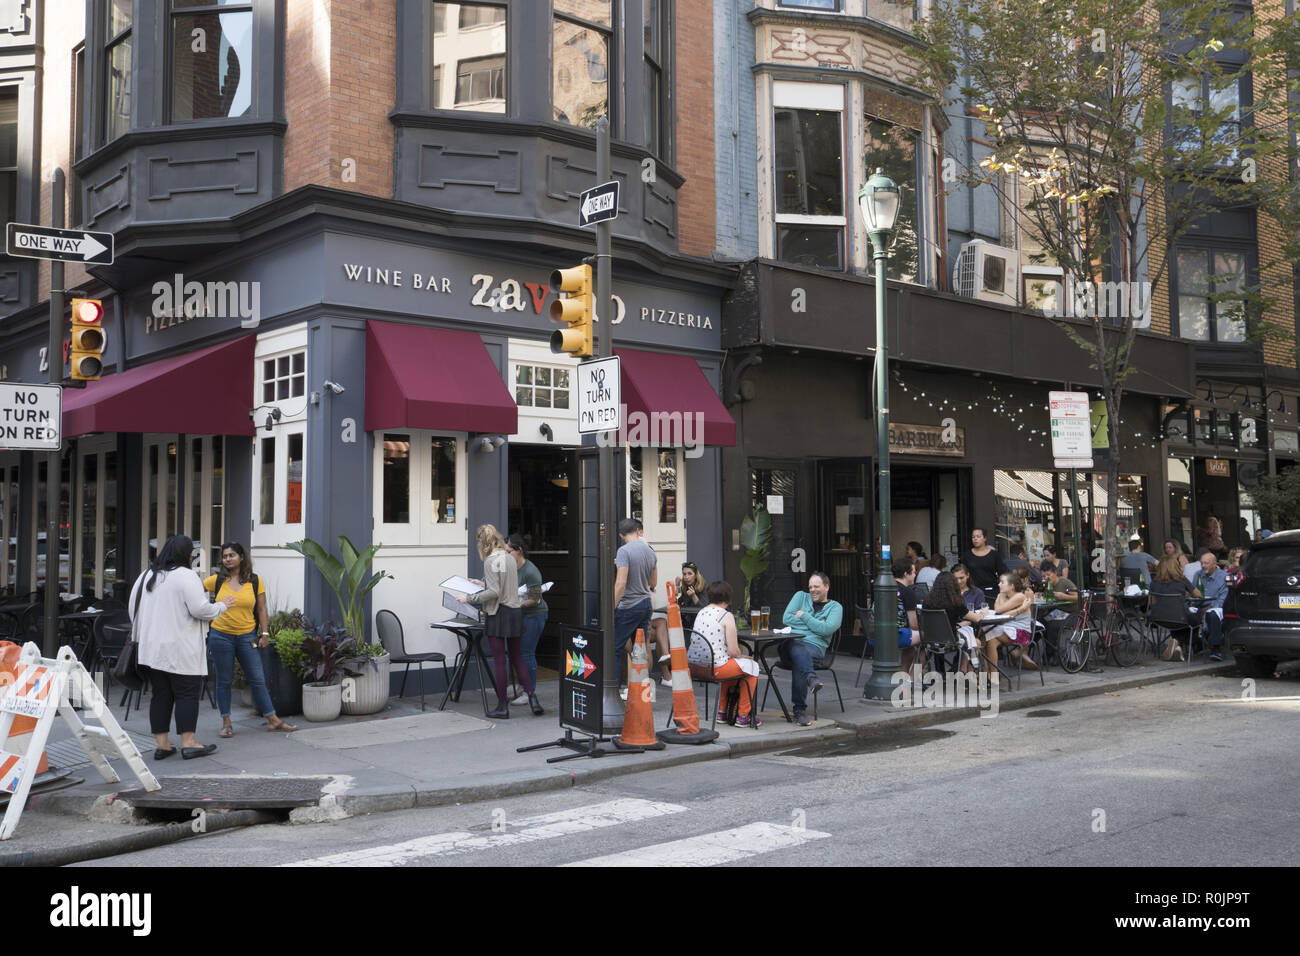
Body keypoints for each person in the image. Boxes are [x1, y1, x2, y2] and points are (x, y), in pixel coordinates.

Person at [129, 534, 238, 760]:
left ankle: (163, 745)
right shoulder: (186, 576)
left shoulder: (147, 575)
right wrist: (221, 606)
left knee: (160, 695)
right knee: (186, 694)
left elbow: (133, 610)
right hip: (181, 648)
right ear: (186, 555)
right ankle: (189, 742)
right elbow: (200, 609)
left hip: (150, 650)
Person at [203, 542, 297, 737]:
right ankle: (226, 723)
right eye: (224, 556)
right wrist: (208, 611)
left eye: (232, 555)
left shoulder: (254, 581)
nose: (227, 559)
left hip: (246, 636)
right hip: (221, 636)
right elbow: (193, 592)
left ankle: (273, 720)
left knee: (257, 679)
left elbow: (262, 609)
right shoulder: (217, 580)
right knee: (224, 680)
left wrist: (265, 633)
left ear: (241, 557)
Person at [466, 524, 534, 719]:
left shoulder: (490, 561)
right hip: (514, 612)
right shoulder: (508, 558)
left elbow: (495, 592)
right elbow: (501, 584)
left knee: (499, 661)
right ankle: (533, 698)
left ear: (482, 542)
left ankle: (502, 706)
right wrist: (482, 583)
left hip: (498, 614)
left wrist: (469, 598)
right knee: (517, 657)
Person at [686, 580, 761, 727]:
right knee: (752, 668)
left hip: (693, 667)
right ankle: (743, 716)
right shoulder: (726, 616)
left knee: (729, 663)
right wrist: (742, 656)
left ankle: (722, 712)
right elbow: (734, 651)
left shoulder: (701, 612)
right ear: (728, 597)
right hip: (715, 669)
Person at [778, 572, 843, 727]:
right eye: (810, 587)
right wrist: (816, 624)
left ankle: (800, 709)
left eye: (816, 586)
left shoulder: (835, 607)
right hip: (789, 645)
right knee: (797, 645)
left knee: (800, 659)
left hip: (815, 650)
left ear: (826, 587)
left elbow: (827, 630)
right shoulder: (800, 596)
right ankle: (810, 680)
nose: (812, 590)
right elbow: (786, 618)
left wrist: (804, 617)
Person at [613, 517, 658, 693]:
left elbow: (621, 583)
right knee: (641, 648)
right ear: (637, 530)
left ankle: (613, 692)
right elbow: (653, 581)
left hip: (629, 605)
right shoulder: (650, 551)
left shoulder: (624, 551)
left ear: (621, 535)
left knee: (616, 648)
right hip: (645, 603)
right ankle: (643, 690)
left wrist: (611, 607)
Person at [506, 534, 547, 714]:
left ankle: (529, 690)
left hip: (533, 615)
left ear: (518, 550)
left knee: (526, 653)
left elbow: (534, 599)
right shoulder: (510, 567)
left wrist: (514, 605)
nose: (506, 555)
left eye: (509, 551)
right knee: (516, 652)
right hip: (518, 614)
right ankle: (521, 687)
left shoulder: (531, 571)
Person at [922, 570, 987, 671]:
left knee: (967, 637)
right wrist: (983, 612)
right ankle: (962, 670)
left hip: (931, 638)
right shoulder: (955, 602)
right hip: (951, 639)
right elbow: (976, 618)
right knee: (973, 640)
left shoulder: (927, 601)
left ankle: (949, 671)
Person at [982, 570, 1036, 683]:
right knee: (990, 640)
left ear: (1011, 586)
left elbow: (998, 610)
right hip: (1007, 630)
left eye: (1002, 582)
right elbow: (999, 612)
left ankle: (987, 674)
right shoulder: (1004, 596)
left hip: (1022, 633)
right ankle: (991, 675)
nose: (998, 584)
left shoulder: (1019, 597)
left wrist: (1001, 597)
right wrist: (1001, 596)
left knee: (985, 634)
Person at [1149, 554, 1201, 660]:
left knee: (1178, 619)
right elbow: (1198, 595)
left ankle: (1176, 643)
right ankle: (1180, 644)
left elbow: (1151, 602)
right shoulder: (1181, 579)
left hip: (1159, 618)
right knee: (1195, 621)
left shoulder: (1154, 582)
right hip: (1179, 618)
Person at [1191, 550, 1228, 662]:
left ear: (1214, 564)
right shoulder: (1198, 575)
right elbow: (1193, 593)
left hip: (1216, 608)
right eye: (1202, 563)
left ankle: (1215, 649)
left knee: (1212, 615)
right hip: (1199, 606)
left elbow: (1222, 600)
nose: (1203, 566)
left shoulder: (1223, 577)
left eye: (1206, 563)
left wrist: (1208, 608)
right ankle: (1192, 643)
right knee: (1184, 611)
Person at [961, 527, 1005, 605]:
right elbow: (962, 573)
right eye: (973, 537)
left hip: (991, 591)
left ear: (985, 538)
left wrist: (1003, 590)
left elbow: (1002, 573)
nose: (975, 539)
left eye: (978, 536)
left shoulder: (994, 555)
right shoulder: (967, 555)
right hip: (973, 591)